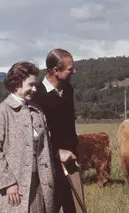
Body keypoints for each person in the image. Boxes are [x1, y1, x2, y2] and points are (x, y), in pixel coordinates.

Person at [0, 61, 55, 213]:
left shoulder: (38, 111)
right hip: (13, 190)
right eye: (31, 85)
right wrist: (8, 183)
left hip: (38, 186)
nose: (35, 89)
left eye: (35, 84)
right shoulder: (1, 113)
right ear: (16, 83)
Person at [33, 48, 85, 213]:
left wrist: (74, 149)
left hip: (70, 160)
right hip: (48, 165)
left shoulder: (68, 90)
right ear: (55, 70)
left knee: (75, 207)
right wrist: (56, 152)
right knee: (50, 207)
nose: (74, 72)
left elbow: (70, 124)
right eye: (70, 69)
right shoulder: (37, 96)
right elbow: (35, 136)